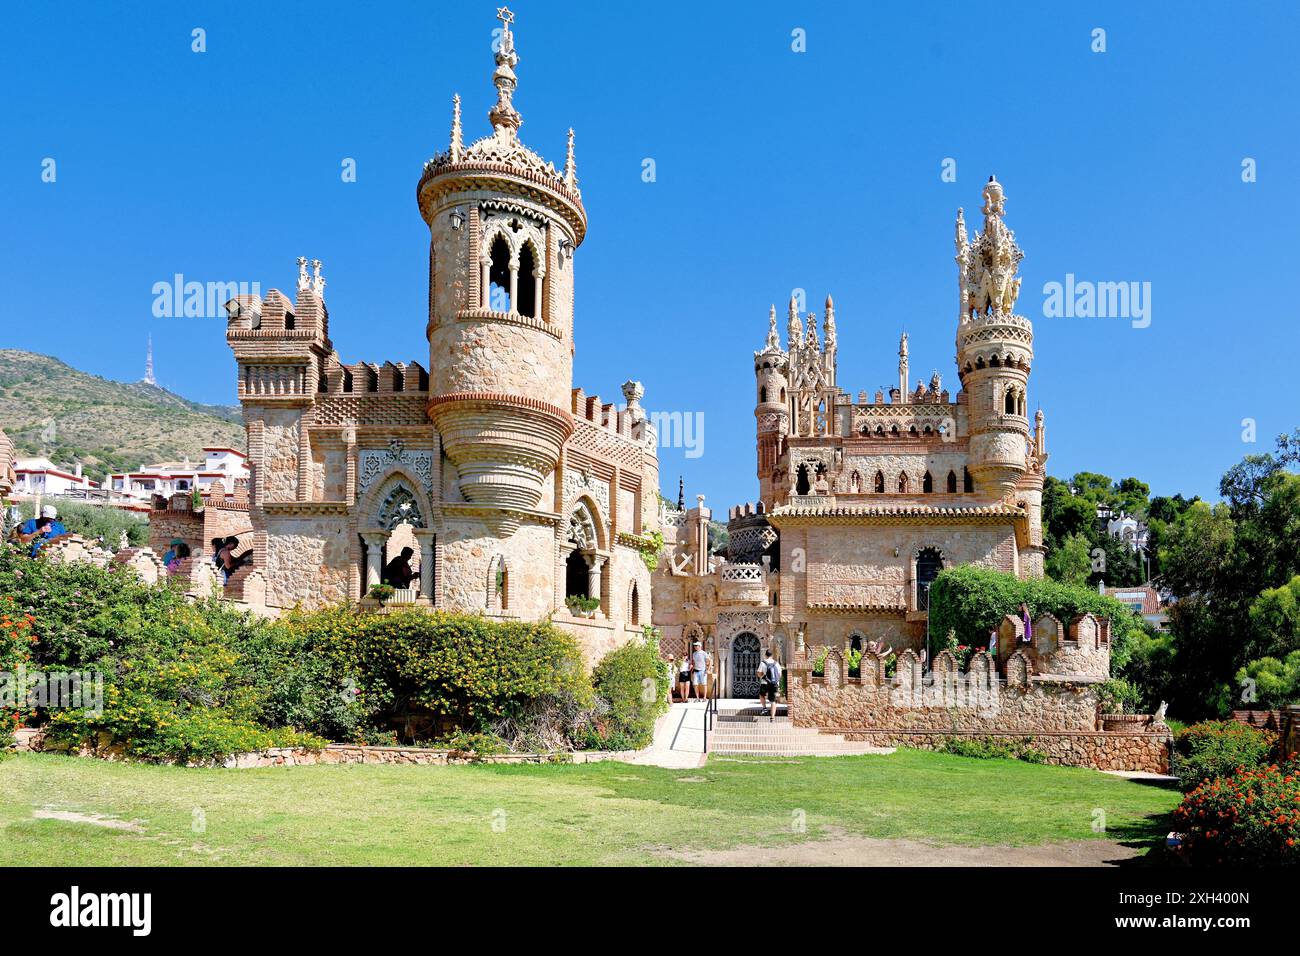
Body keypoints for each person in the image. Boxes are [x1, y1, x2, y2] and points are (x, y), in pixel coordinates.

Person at [760, 649, 782, 721]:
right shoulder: (776, 663)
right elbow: (780, 674)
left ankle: (764, 708)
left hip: (765, 683)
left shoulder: (763, 663)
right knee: (773, 700)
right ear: (772, 655)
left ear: (765, 655)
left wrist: (763, 675)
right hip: (774, 684)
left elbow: (758, 673)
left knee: (762, 695)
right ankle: (772, 718)